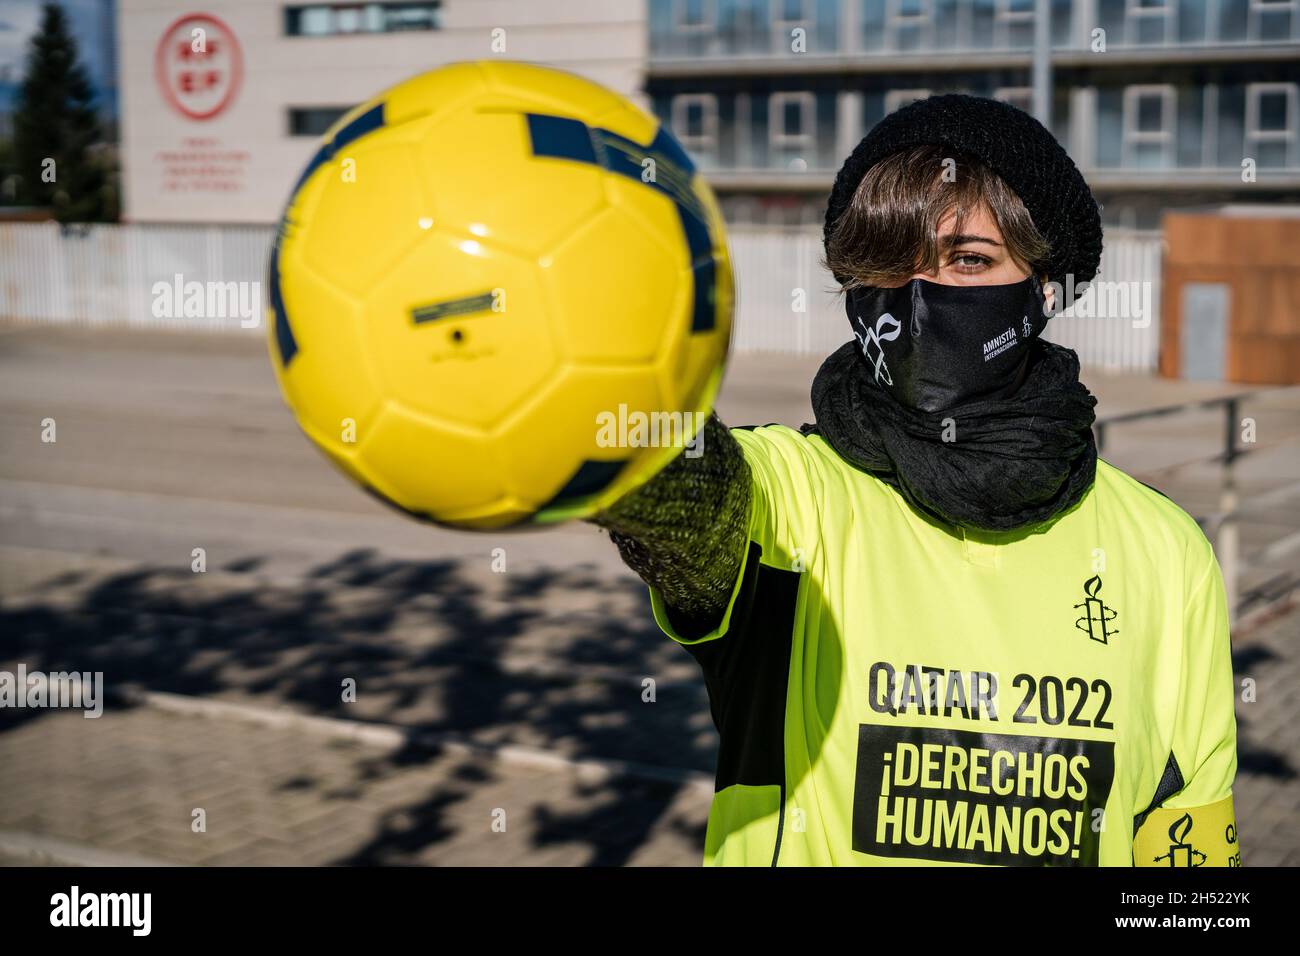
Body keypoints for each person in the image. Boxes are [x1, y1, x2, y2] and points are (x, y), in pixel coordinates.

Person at [589, 95, 1241, 867]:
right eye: (887, 265)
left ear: (1045, 289)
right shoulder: (794, 500)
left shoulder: (1162, 553)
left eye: (969, 260)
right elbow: (675, 486)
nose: (919, 300)